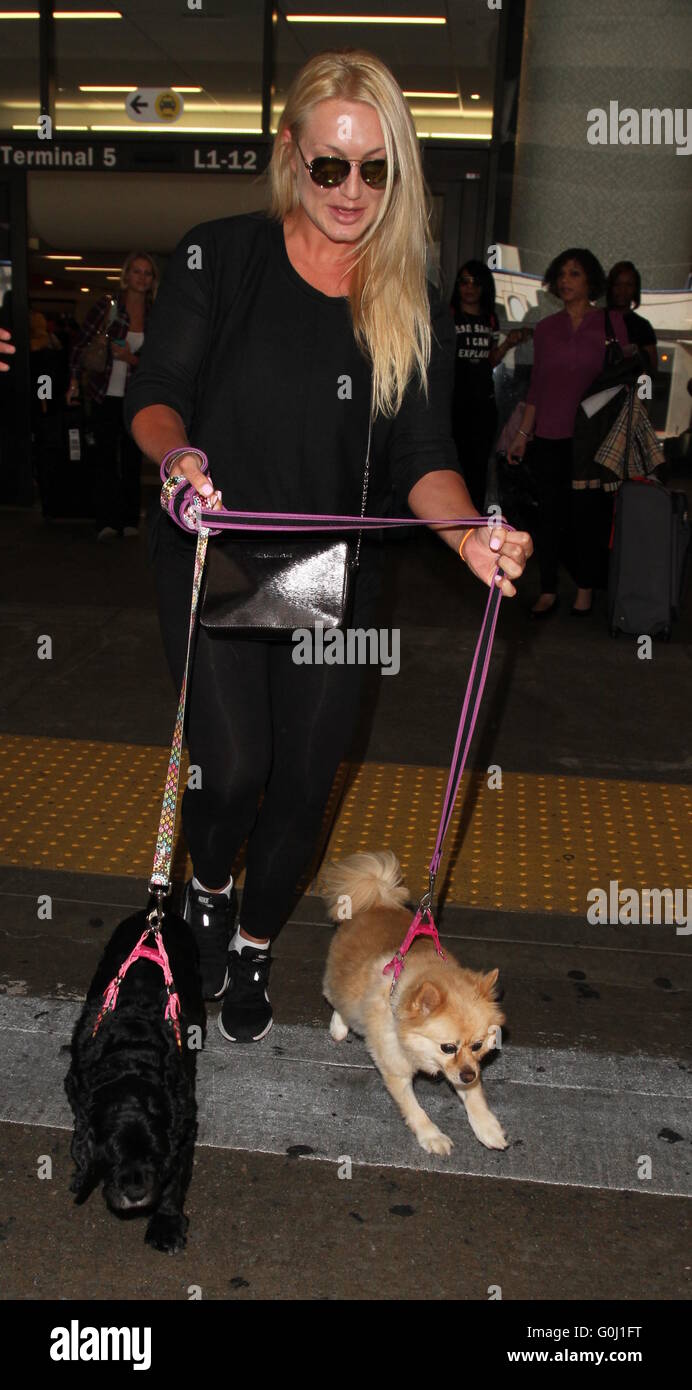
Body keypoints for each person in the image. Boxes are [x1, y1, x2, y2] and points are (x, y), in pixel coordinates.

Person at [125, 49, 532, 1046]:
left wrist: (465, 533)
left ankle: (256, 943)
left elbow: (423, 458)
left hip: (326, 572)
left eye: (375, 168)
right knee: (231, 772)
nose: (352, 191)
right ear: (289, 156)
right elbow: (155, 393)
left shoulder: (405, 298)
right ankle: (209, 887)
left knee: (303, 786)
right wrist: (178, 458)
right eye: (329, 167)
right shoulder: (218, 257)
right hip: (217, 547)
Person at [508, 248, 628, 617]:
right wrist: (521, 435)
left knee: (588, 517)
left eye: (574, 273)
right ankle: (547, 588)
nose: (565, 280)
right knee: (548, 517)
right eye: (561, 274)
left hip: (592, 441)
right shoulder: (546, 329)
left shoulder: (611, 324)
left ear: (590, 280)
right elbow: (537, 390)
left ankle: (586, 587)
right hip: (550, 437)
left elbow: (626, 383)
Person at [68, 252, 158, 540]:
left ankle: (130, 519)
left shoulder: (158, 313)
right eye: (136, 271)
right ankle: (106, 520)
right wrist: (72, 381)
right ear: (126, 275)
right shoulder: (107, 307)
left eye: (147, 273)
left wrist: (132, 359)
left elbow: (163, 360)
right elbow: (80, 345)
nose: (141, 278)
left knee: (132, 460)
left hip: (136, 398)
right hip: (103, 393)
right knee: (105, 458)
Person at [450, 259, 529, 511]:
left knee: (478, 464)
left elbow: (490, 360)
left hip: (483, 402)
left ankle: (471, 521)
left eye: (475, 282)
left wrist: (508, 344)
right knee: (453, 463)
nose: (469, 288)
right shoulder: (448, 315)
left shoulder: (490, 319)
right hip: (453, 401)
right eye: (464, 281)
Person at [606, 260, 657, 375]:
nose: (622, 290)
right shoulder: (596, 320)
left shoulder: (643, 326)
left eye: (628, 285)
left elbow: (651, 370)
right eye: (617, 284)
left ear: (635, 289)